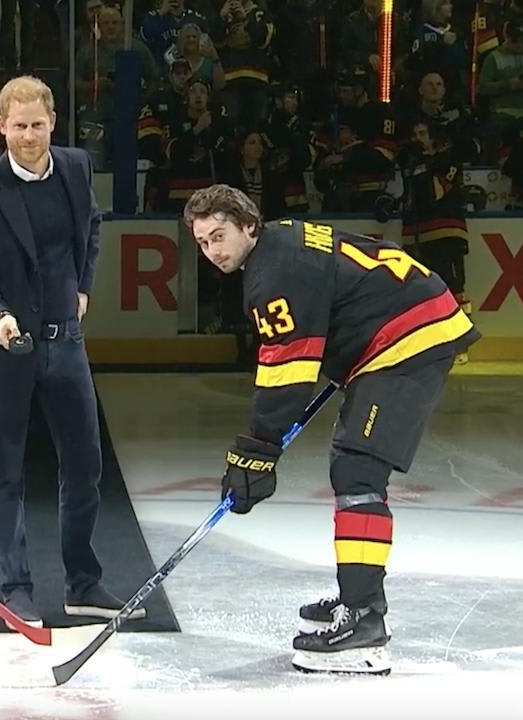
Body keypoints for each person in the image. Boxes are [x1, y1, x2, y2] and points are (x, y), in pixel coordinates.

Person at [182, 183, 479, 675]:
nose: (213, 251)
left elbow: (286, 373)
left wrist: (257, 450)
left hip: (410, 338)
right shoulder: (280, 242)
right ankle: (356, 595)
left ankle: (365, 621)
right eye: (202, 242)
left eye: (219, 236)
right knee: (352, 464)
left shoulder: (272, 274)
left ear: (249, 226)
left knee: (358, 469)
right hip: (406, 323)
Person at [0, 75, 140, 627]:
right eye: (19, 126)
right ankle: (16, 588)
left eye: (37, 125)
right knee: (3, 472)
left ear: (53, 122)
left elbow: (93, 227)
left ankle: (83, 583)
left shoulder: (77, 168)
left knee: (85, 466)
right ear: (1, 126)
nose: (29, 136)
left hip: (66, 343)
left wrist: (83, 287)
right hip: (6, 348)